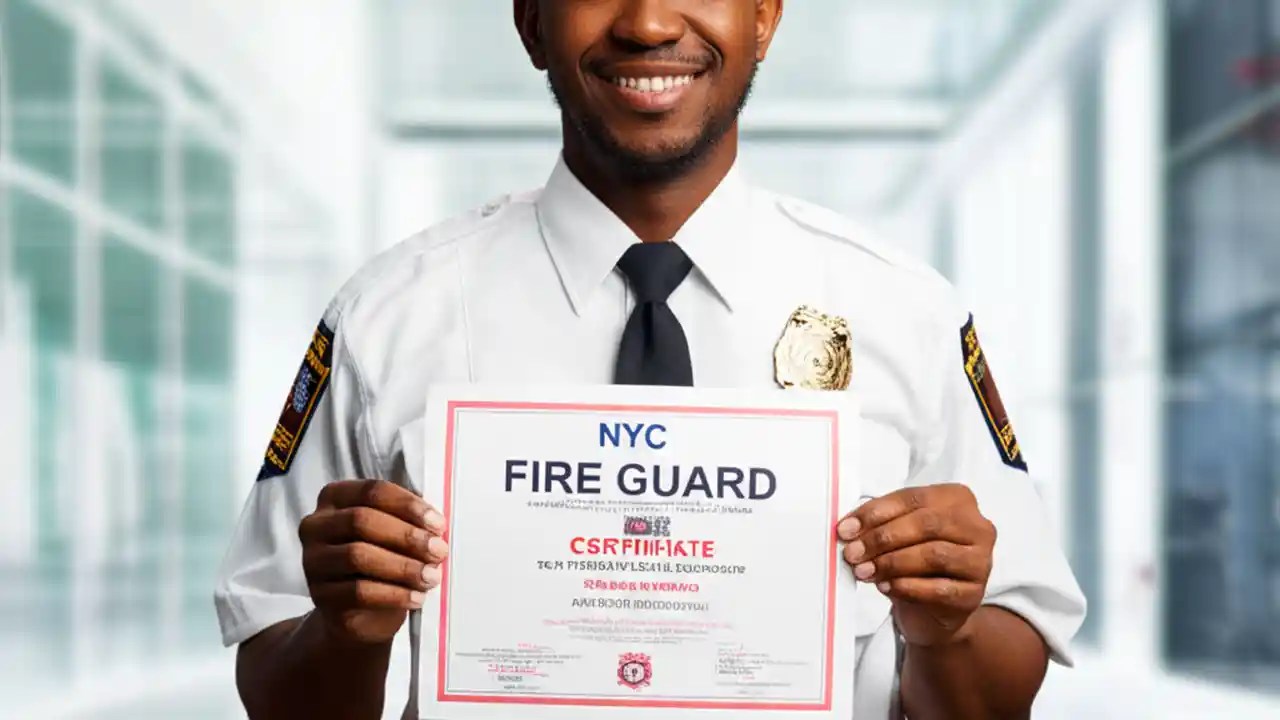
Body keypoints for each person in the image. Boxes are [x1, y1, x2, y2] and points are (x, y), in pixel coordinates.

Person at [215, 1, 1086, 718]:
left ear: (766, 16)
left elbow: (1000, 690)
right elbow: (275, 681)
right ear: (528, 23)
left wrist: (946, 632)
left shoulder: (908, 314)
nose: (646, 24)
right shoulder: (388, 317)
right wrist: (341, 633)